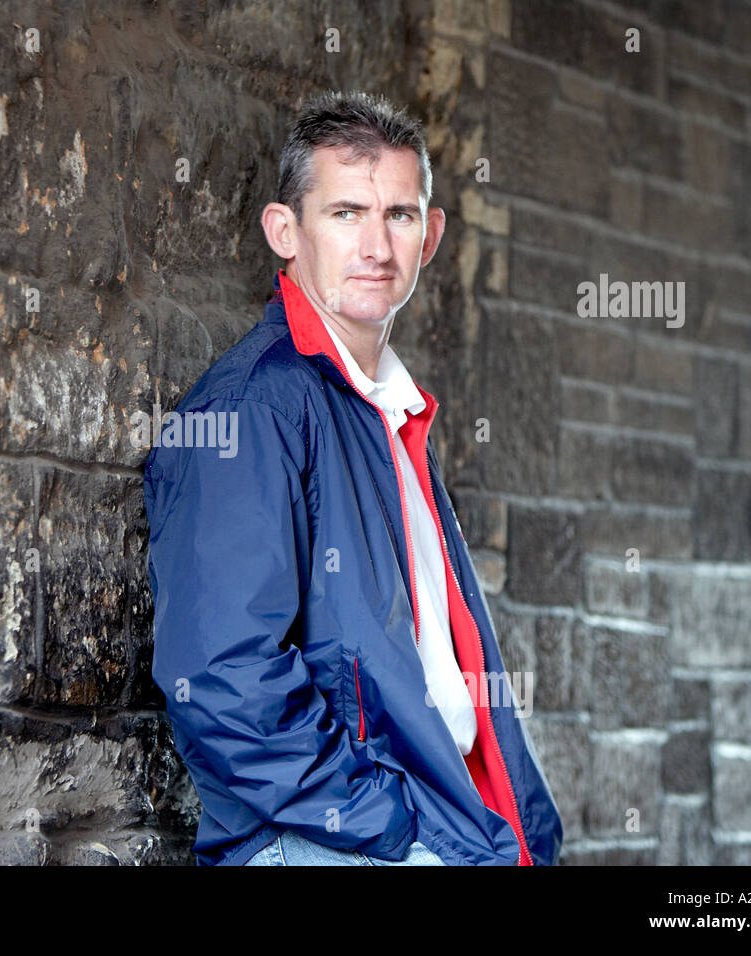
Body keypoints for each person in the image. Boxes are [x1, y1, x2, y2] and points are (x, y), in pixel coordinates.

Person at [142, 90, 564, 866]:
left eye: (398, 215)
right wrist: (389, 827)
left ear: (430, 235)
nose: (376, 246)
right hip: (335, 847)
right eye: (344, 214)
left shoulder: (390, 415)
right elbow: (221, 676)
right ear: (285, 231)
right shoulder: (252, 408)